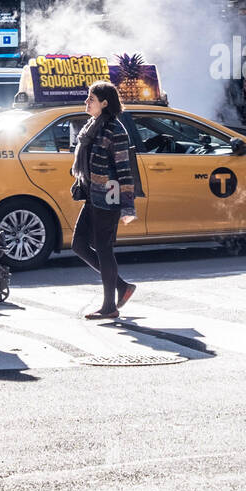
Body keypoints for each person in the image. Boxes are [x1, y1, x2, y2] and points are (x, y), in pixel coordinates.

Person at [70, 81, 141, 320]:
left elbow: (124, 169)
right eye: (88, 98)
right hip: (93, 196)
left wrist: (127, 205)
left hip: (108, 197)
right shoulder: (92, 126)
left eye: (91, 98)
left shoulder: (115, 130)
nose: (86, 102)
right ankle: (121, 286)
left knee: (103, 249)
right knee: (79, 244)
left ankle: (109, 306)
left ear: (104, 103)